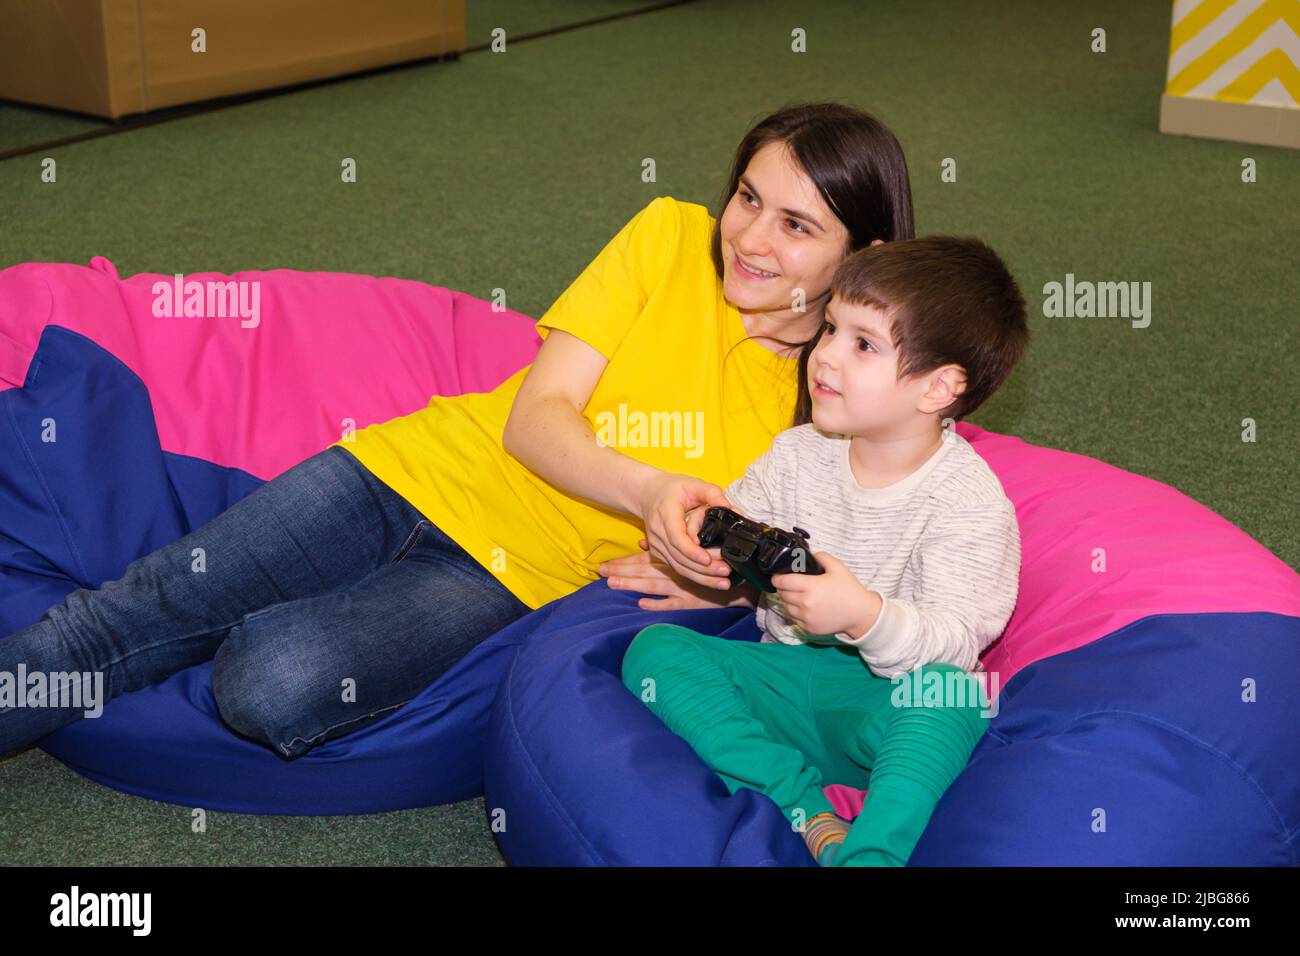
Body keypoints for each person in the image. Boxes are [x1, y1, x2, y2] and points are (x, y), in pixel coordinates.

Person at [0, 101, 915, 761]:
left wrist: (728, 591)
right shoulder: (671, 238)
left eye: (797, 225)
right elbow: (536, 420)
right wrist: (648, 493)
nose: (749, 238)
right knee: (133, 610)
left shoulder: (837, 401)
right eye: (748, 198)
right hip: (411, 470)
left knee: (267, 684)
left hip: (509, 579)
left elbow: (818, 565)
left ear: (862, 255)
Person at [620, 235, 1030, 866]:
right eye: (831, 327)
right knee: (657, 654)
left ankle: (871, 857)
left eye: (863, 344)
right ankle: (806, 811)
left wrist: (864, 615)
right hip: (782, 679)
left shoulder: (967, 501)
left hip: (879, 703)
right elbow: (745, 533)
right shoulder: (798, 452)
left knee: (954, 696)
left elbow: (954, 640)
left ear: (938, 388)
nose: (825, 356)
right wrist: (708, 540)